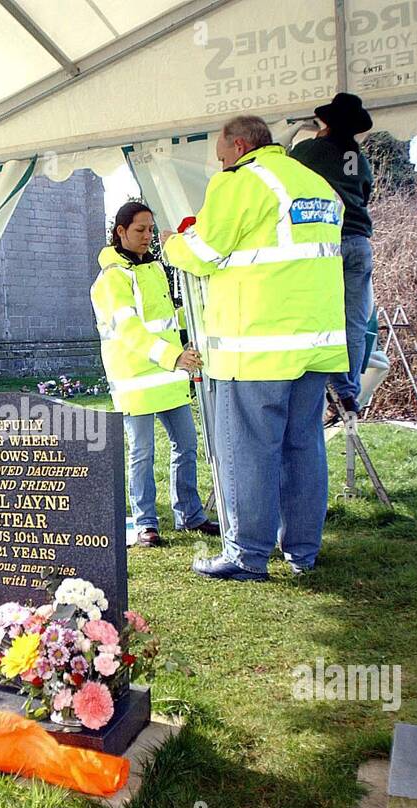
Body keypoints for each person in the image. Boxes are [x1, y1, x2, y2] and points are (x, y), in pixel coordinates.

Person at [161, 115, 347, 580]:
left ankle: (247, 554)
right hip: (316, 345)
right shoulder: (318, 186)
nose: (220, 165)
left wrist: (172, 243)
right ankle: (303, 552)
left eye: (222, 156)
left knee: (248, 451)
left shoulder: (240, 183)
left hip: (257, 346)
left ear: (240, 146)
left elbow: (202, 252)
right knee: (303, 447)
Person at [91, 202, 219, 548]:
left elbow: (167, 318)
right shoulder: (112, 278)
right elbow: (129, 329)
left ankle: (190, 514)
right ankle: (146, 523)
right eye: (139, 230)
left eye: (150, 229)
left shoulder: (155, 269)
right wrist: (173, 356)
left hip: (168, 375)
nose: (148, 236)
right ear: (120, 232)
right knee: (142, 453)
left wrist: (194, 327)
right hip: (137, 379)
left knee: (186, 446)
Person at [281, 93, 375, 417]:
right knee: (354, 322)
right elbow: (364, 193)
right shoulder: (359, 158)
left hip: (328, 241)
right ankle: (350, 391)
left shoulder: (310, 150)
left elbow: (282, 168)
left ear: (327, 123)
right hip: (360, 241)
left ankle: (331, 384)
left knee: (324, 315)